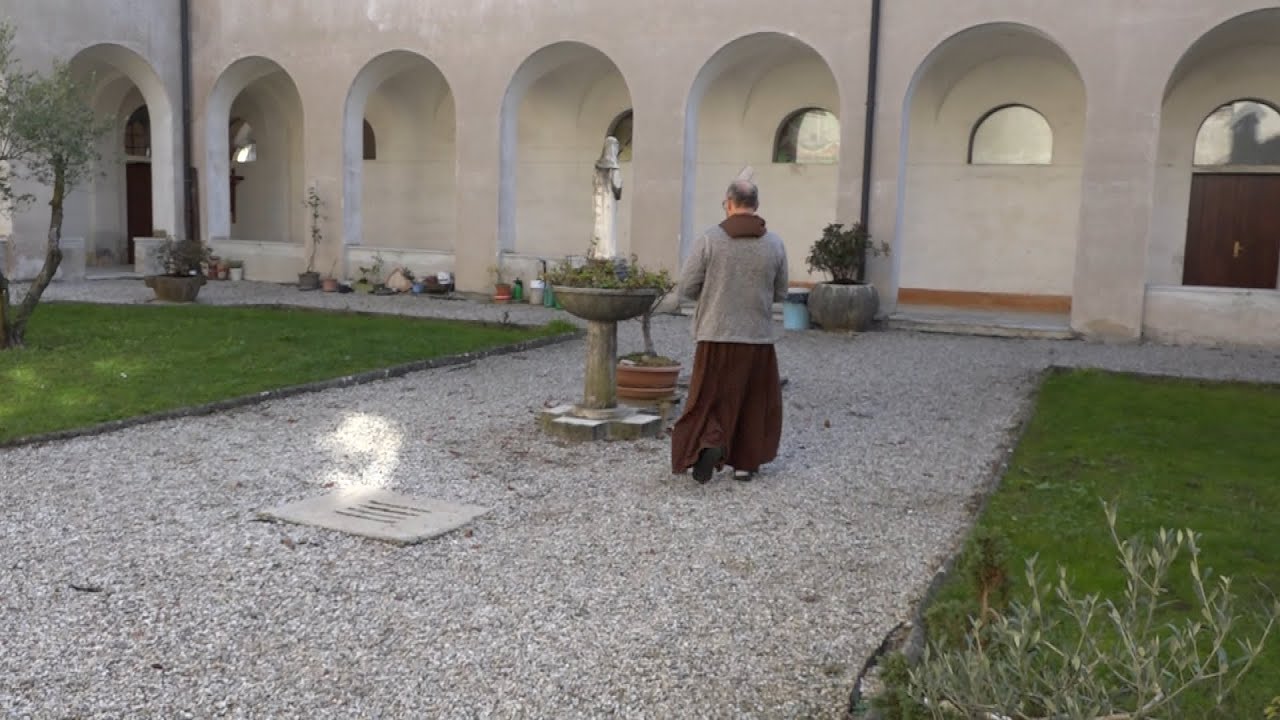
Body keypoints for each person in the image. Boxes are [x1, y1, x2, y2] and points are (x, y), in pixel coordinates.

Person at [671, 179, 788, 483]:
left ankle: (709, 443)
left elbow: (686, 287)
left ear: (729, 203)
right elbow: (781, 292)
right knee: (753, 400)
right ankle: (745, 464)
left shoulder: (710, 240)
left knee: (708, 397)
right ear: (757, 206)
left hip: (715, 333)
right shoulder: (775, 243)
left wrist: (713, 295)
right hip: (757, 337)